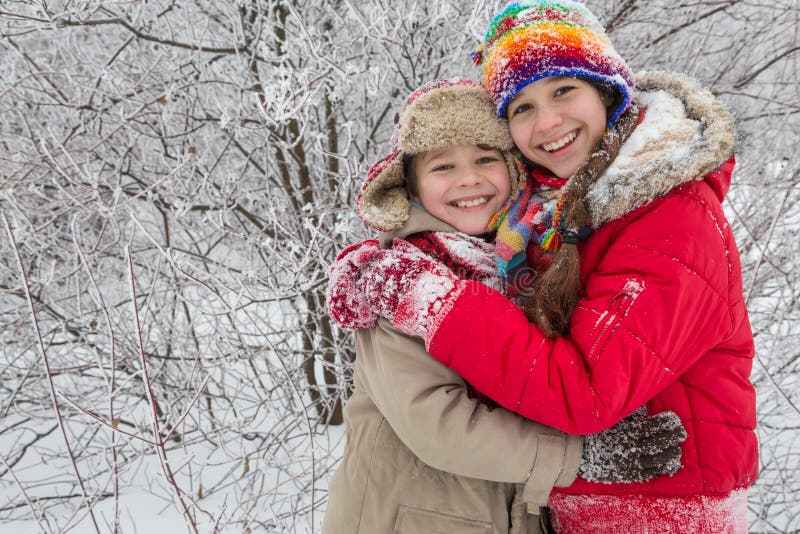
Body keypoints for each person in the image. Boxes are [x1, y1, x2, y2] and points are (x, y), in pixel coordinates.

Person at [328, 2, 758, 533]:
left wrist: (432, 301)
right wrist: (573, 460)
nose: (548, 122)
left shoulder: (666, 215)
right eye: (523, 107)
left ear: (606, 91)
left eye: (563, 90)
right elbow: (437, 423)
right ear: (412, 187)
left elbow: (584, 390)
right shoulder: (425, 264)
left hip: (657, 509)